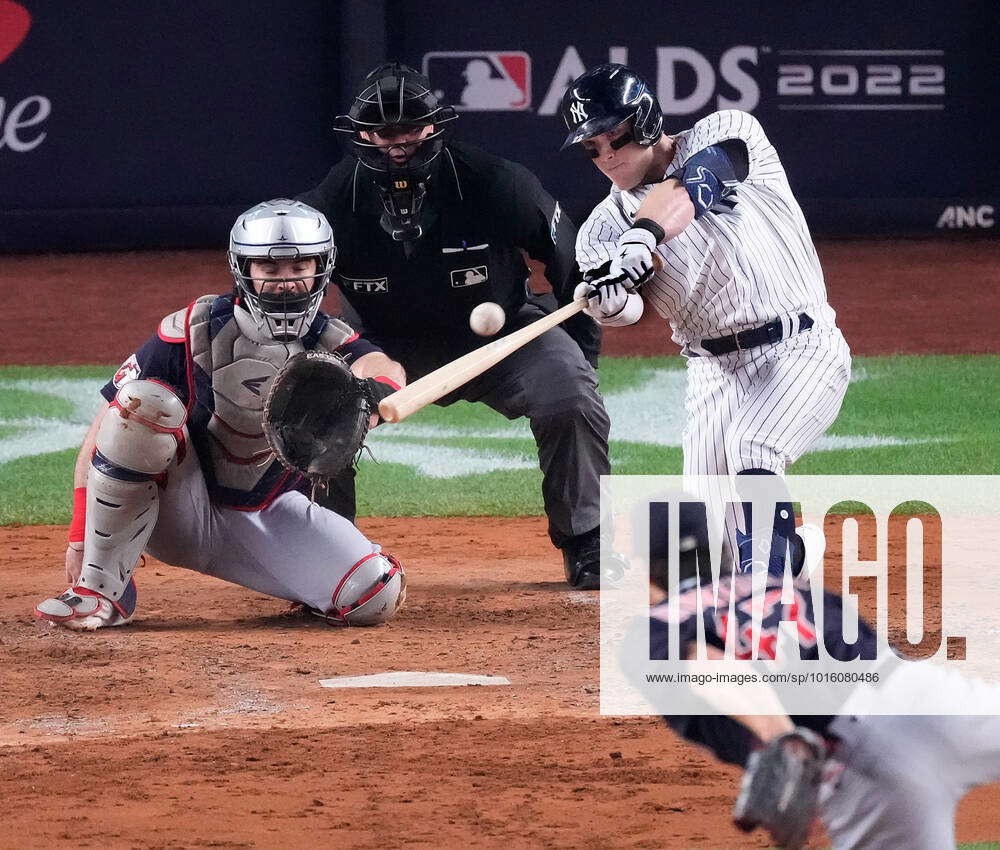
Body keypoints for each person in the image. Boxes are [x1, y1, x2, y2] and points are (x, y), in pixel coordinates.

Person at [299, 62, 613, 589]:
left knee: (570, 394)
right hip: (380, 346)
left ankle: (589, 540)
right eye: (381, 132)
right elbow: (298, 295)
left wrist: (587, 360)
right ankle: (326, 555)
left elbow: (573, 267)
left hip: (505, 336)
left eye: (407, 129)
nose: (395, 144)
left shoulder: (498, 183)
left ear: (433, 126)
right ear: (361, 135)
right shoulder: (331, 203)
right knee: (315, 409)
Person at [34, 199, 408, 630]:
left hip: (266, 512)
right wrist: (80, 539)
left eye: (299, 266)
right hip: (175, 507)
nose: (286, 282)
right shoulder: (192, 330)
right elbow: (105, 427)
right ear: (243, 270)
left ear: (321, 267)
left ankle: (296, 577)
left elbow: (380, 366)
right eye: (270, 269)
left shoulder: (332, 340)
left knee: (373, 595)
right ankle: (100, 590)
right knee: (143, 404)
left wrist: (376, 390)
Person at [561, 64, 852, 578]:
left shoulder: (730, 131)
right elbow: (630, 312)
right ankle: (797, 555)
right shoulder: (599, 231)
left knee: (752, 446)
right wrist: (610, 299)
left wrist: (644, 236)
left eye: (616, 138)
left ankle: (771, 599)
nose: (607, 156)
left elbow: (696, 183)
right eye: (592, 148)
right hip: (713, 376)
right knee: (716, 557)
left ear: (646, 121)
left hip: (801, 346)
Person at [626, 498, 1000, 850]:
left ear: (647, 567)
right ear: (722, 550)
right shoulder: (790, 588)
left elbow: (710, 666)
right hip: (929, 694)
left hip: (863, 759)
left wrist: (781, 738)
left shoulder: (655, 630)